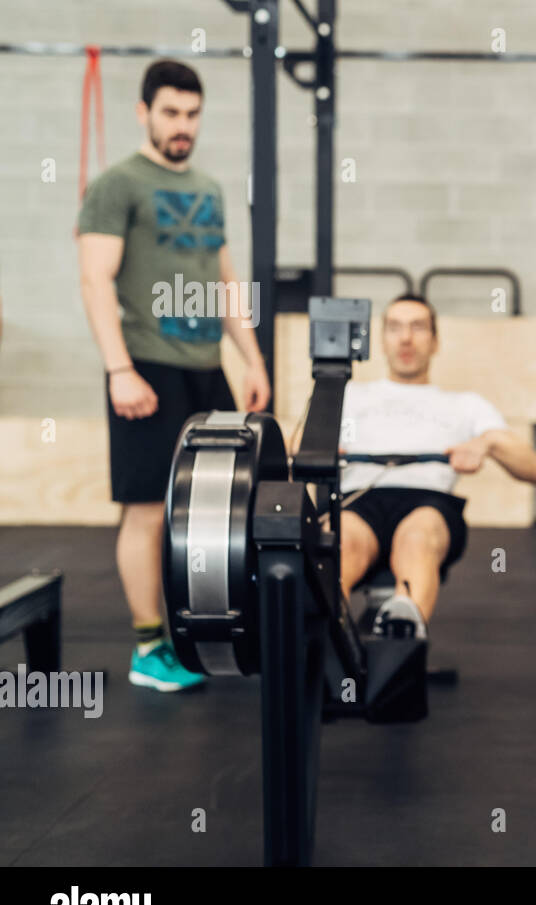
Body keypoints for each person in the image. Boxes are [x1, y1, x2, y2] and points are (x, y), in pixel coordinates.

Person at [77, 60, 270, 693]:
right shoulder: (116, 185)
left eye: (191, 114)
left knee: (219, 510)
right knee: (147, 512)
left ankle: (209, 633)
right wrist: (119, 369)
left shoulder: (210, 189)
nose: (181, 126)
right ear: (144, 112)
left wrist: (253, 358)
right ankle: (147, 647)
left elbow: (224, 282)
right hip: (147, 368)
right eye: (170, 113)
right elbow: (95, 278)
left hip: (204, 367)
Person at [334, 294, 536, 636]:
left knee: (418, 537)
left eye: (418, 328)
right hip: (357, 500)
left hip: (427, 504)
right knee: (340, 542)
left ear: (435, 342)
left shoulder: (464, 405)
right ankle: (334, 643)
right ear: (382, 340)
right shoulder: (348, 396)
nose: (406, 338)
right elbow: (290, 449)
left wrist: (488, 444)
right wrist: (314, 449)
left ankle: (402, 631)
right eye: (395, 328)